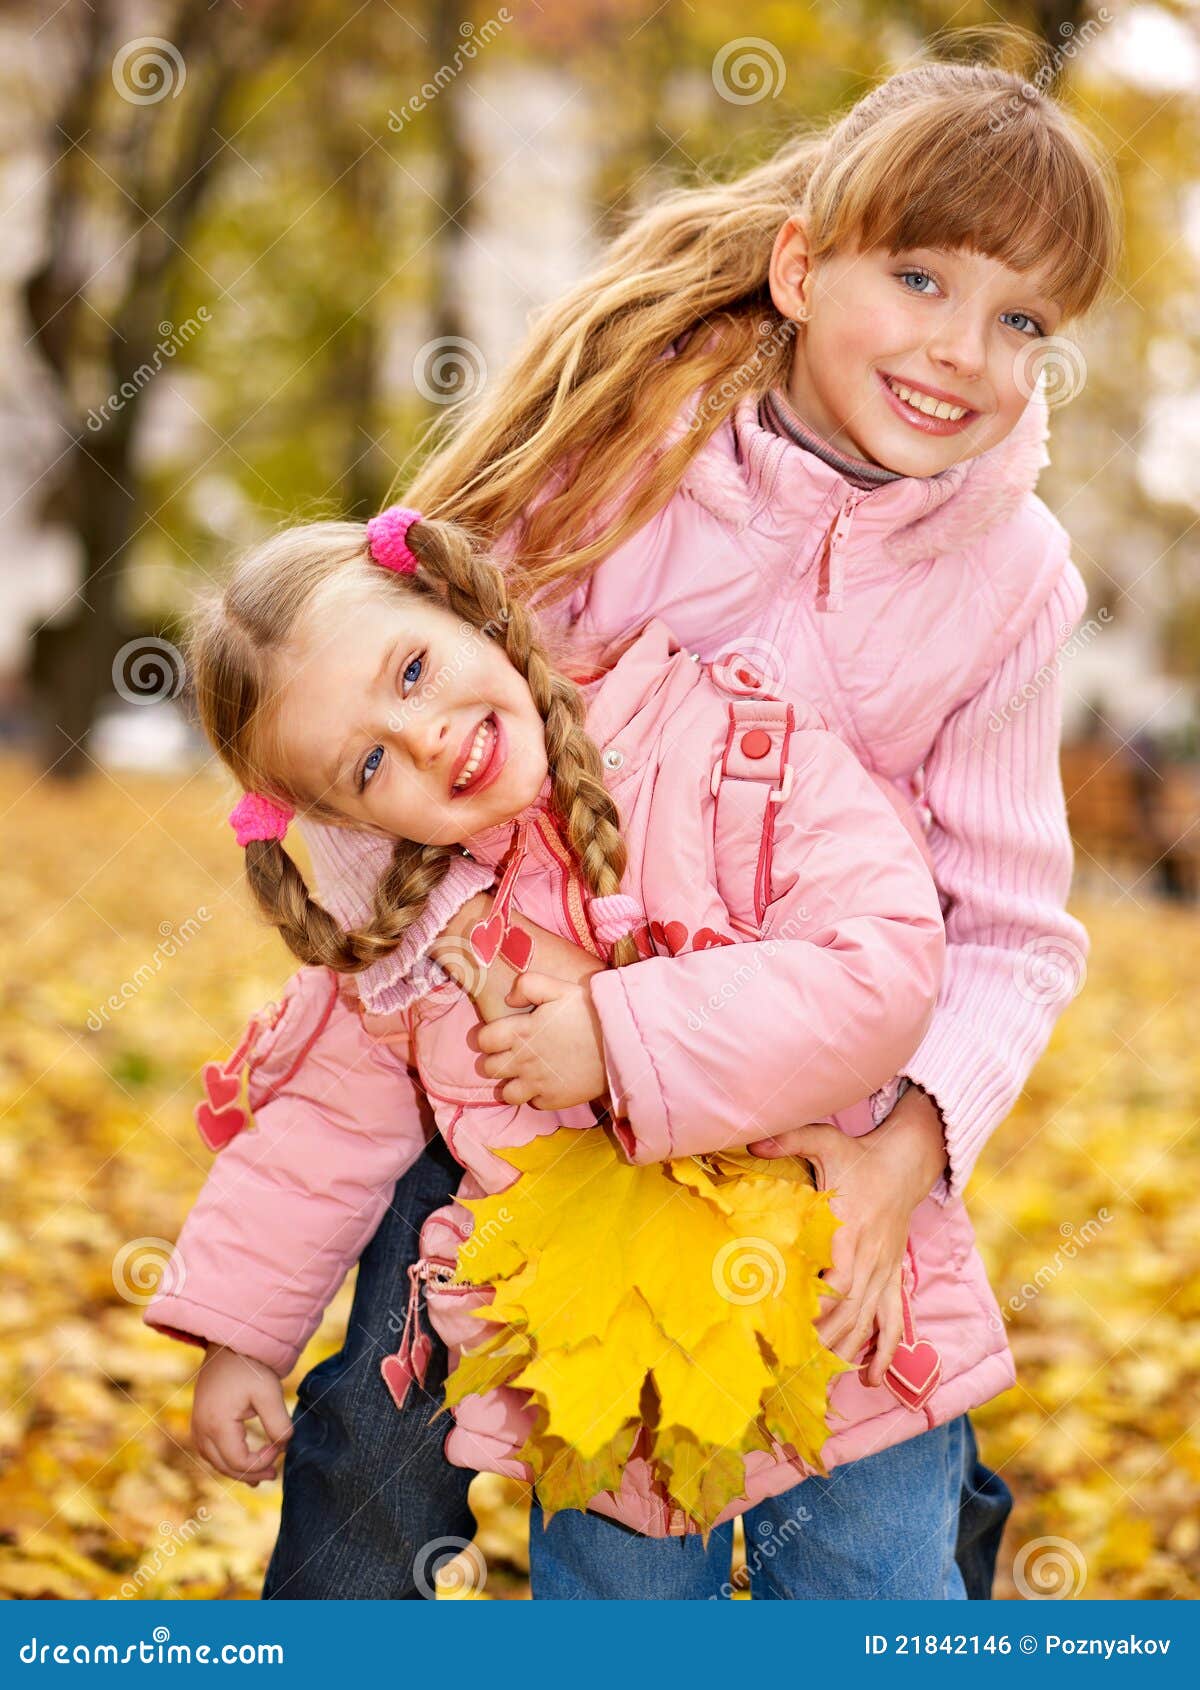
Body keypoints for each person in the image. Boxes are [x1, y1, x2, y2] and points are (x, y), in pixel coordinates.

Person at [173, 41, 1120, 1597]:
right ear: (804, 268)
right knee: (386, 1431)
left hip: (802, 1067)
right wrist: (405, 963)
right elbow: (395, 710)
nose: (967, 348)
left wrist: (913, 1143)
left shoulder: (1011, 578)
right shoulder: (636, 442)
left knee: (861, 1446)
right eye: (926, 280)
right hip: (517, 1063)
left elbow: (1006, 924)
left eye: (1024, 320)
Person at [145, 502, 1009, 1598]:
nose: (426, 738)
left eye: (412, 671)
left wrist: (619, 1035)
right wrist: (240, 1336)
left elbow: (880, 969)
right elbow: (319, 1128)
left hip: (843, 1323)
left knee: (864, 1595)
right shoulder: (421, 942)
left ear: (460, 607)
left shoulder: (728, 747)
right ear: (346, 818)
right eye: (369, 764)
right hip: (609, 1391)